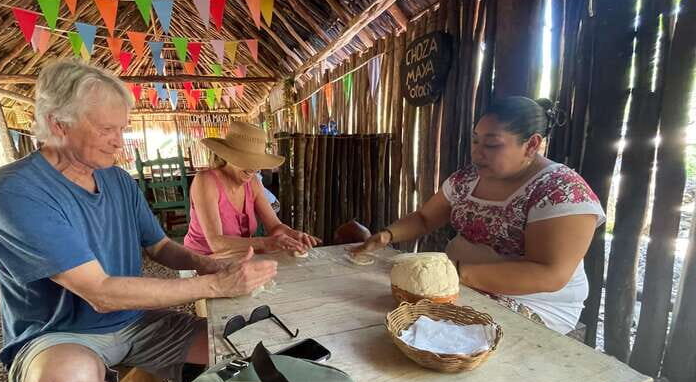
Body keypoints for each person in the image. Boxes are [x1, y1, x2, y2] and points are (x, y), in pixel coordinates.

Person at [0, 60, 277, 382]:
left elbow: (161, 247)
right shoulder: (13, 191)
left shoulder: (117, 180)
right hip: (60, 335)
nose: (120, 142)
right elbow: (100, 293)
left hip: (135, 321)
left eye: (122, 128)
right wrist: (215, 284)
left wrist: (207, 263)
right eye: (107, 129)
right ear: (58, 124)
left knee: (251, 353)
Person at [353, 97, 605, 334]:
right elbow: (424, 218)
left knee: (427, 332)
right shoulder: (467, 179)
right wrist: (387, 235)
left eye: (492, 144)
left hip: (532, 302)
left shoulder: (561, 191)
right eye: (475, 141)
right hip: (458, 283)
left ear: (531, 145)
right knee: (372, 314)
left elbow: (549, 274)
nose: (477, 153)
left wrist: (455, 273)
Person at [184, 121, 320, 257]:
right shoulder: (206, 181)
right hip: (201, 260)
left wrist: (291, 233)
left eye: (256, 162)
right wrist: (266, 243)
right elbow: (217, 244)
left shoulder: (253, 182)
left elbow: (274, 226)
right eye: (245, 160)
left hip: (238, 258)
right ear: (227, 156)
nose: (252, 168)